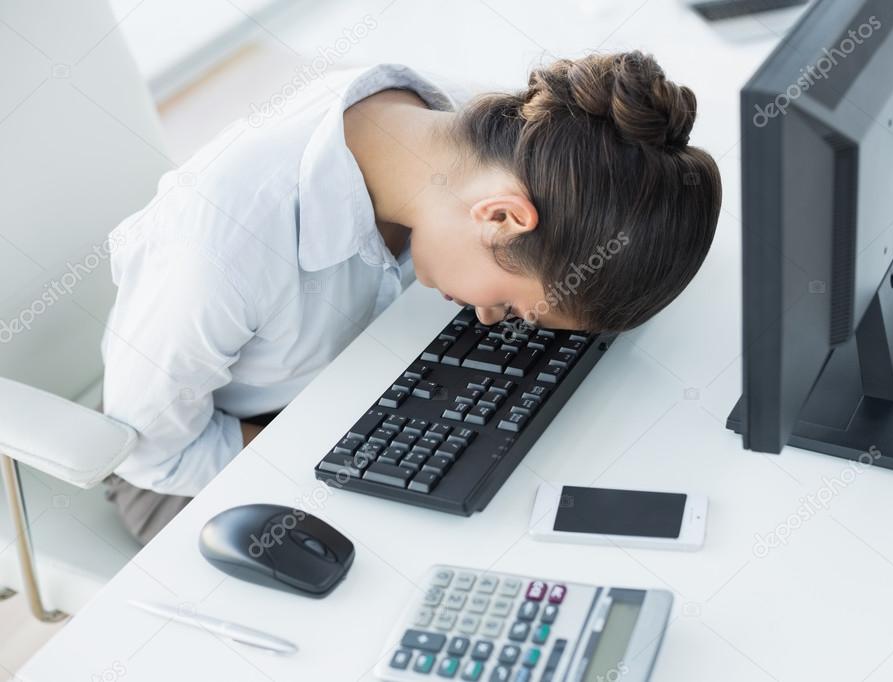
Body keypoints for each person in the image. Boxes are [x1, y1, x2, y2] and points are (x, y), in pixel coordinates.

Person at [102, 51, 722, 544]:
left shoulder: (473, 137)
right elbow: (147, 454)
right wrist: (362, 452)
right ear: (501, 216)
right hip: (194, 475)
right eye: (510, 307)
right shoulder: (217, 248)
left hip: (354, 386)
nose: (489, 318)